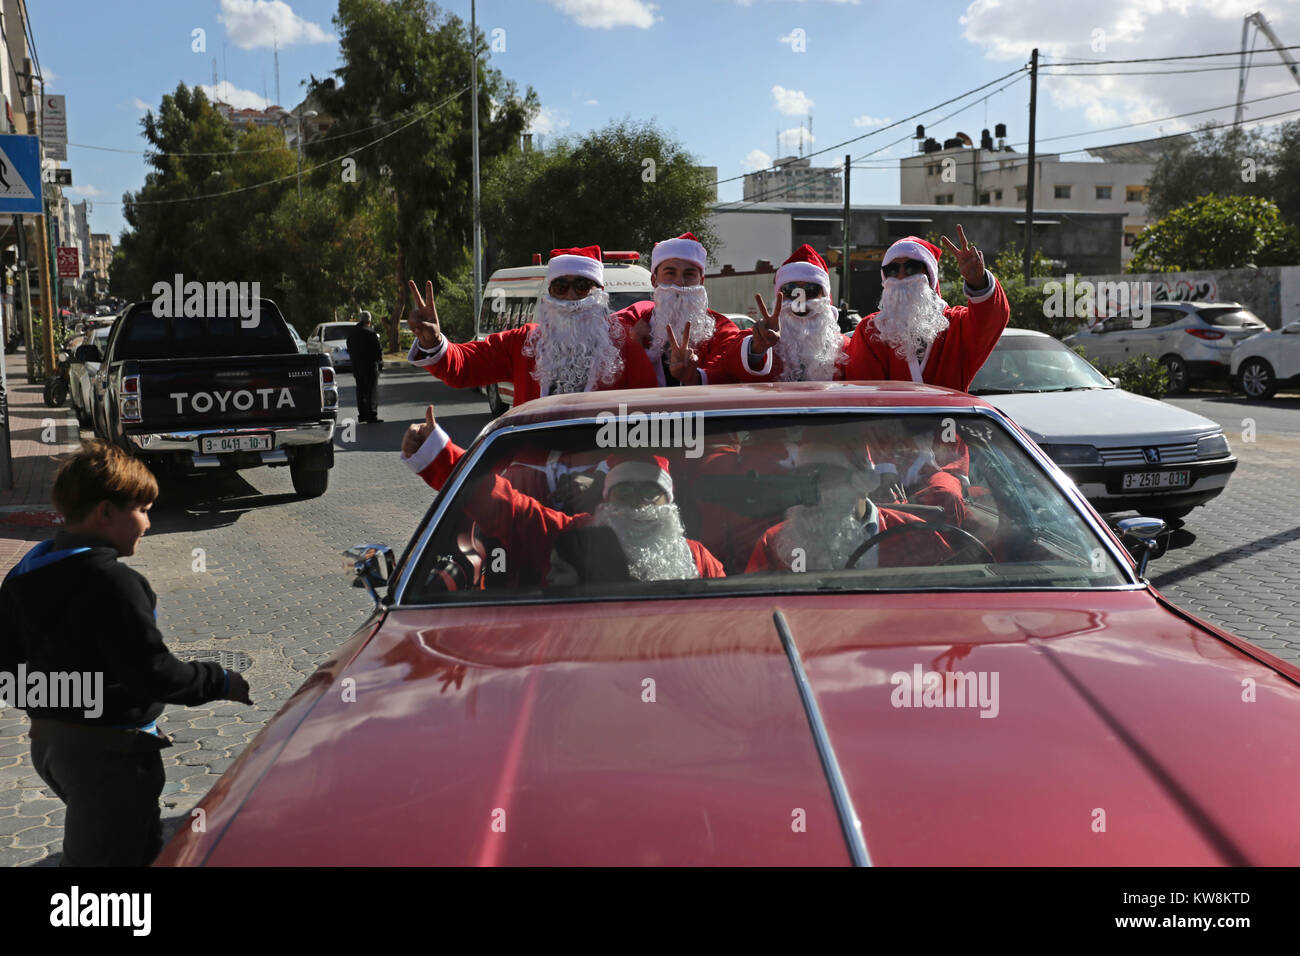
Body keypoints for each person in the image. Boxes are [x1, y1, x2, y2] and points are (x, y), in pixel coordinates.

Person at [0, 441, 252, 866]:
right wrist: (220, 680)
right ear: (105, 512)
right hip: (110, 758)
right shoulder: (115, 583)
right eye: (143, 510)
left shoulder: (24, 573)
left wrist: (59, 706)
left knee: (123, 847)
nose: (148, 524)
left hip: (50, 747)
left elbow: (8, 668)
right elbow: (154, 673)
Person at [401, 405, 725, 582]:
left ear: (669, 503)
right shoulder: (575, 535)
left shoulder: (699, 559)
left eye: (651, 493)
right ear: (607, 500)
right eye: (625, 491)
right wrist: (439, 455)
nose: (638, 503)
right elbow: (505, 507)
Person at [404, 246, 655, 408]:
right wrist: (433, 342)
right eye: (560, 287)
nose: (570, 296)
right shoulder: (525, 343)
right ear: (549, 293)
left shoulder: (623, 346)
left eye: (581, 286)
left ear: (598, 293)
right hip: (536, 466)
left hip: (601, 468)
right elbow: (465, 366)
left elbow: (649, 415)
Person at [842, 226, 1010, 391]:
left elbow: (990, 319)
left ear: (930, 276)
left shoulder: (955, 324)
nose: (901, 275)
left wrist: (978, 282)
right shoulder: (870, 330)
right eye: (892, 270)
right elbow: (864, 393)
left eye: (912, 267)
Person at [746, 440, 954, 572]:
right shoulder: (772, 543)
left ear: (862, 481)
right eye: (801, 477)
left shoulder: (916, 536)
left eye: (822, 475)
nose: (809, 489)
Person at [613, 232, 743, 385]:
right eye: (670, 273)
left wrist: (694, 377)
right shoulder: (628, 323)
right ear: (654, 280)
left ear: (701, 281)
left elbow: (730, 374)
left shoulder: (722, 329)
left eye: (689, 274)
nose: (680, 282)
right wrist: (633, 346)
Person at [724, 244, 849, 383]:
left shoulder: (846, 347)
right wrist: (757, 349)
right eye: (790, 289)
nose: (801, 299)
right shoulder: (759, 338)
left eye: (811, 290)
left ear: (825, 297)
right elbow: (728, 366)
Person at [346, 310, 384, 423]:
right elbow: (378, 350)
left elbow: (349, 348)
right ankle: (371, 414)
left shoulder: (352, 333)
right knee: (371, 390)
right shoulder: (370, 332)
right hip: (370, 366)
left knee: (360, 389)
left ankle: (362, 415)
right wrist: (380, 362)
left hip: (357, 366)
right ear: (369, 321)